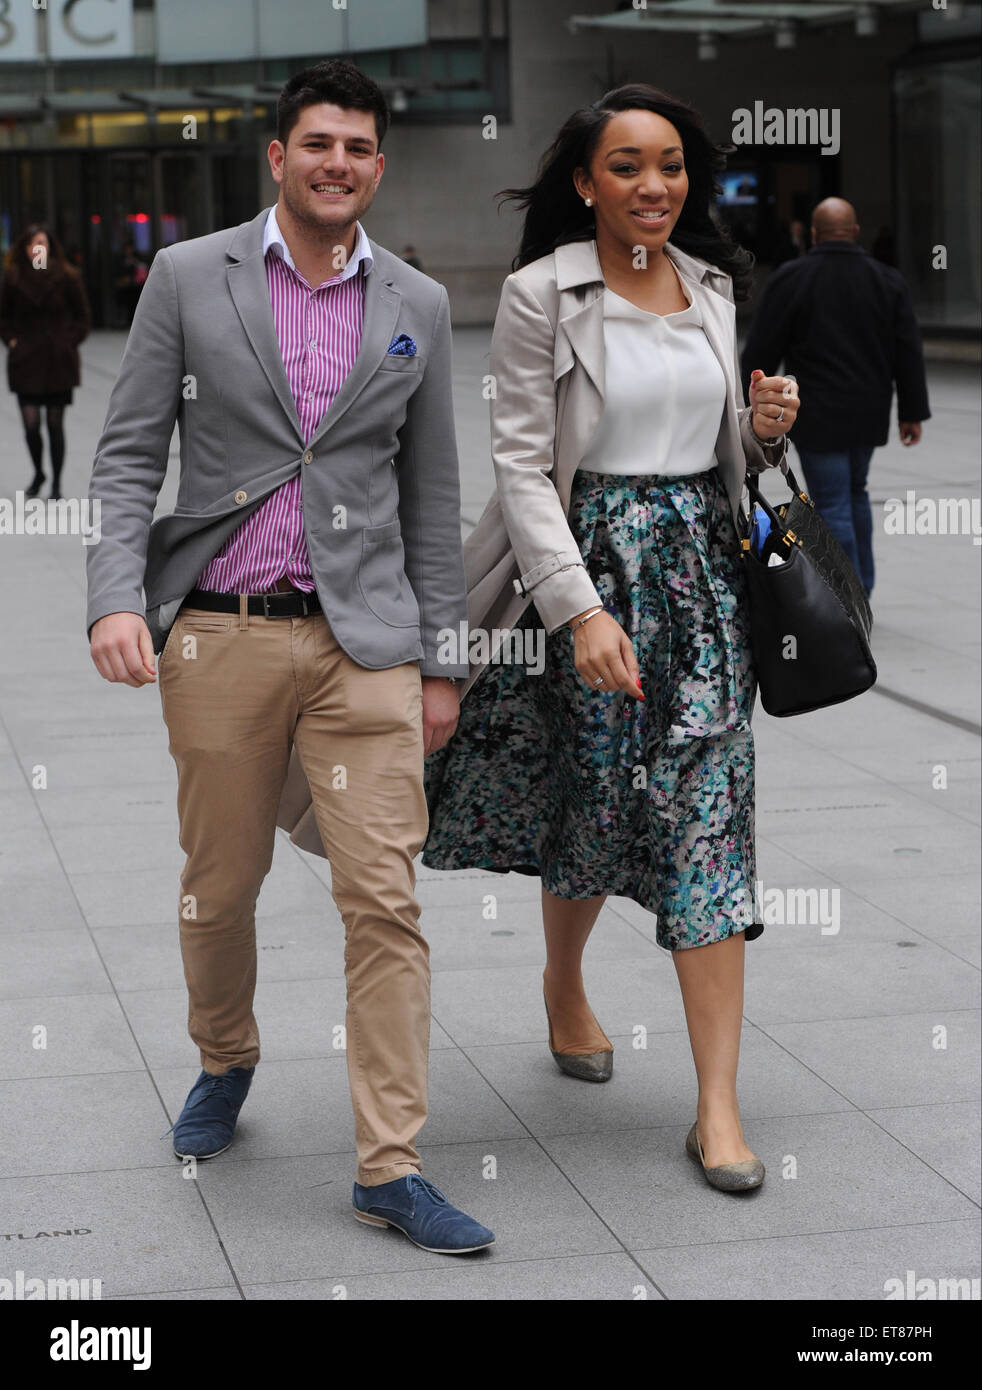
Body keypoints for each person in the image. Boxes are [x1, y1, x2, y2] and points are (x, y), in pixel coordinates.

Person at [282, 82, 799, 1193]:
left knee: (709, 827)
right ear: (584, 181)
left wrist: (756, 436)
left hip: (702, 592)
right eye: (625, 166)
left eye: (669, 165)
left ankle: (717, 1106)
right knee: (587, 795)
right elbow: (522, 467)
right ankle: (564, 982)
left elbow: (720, 462)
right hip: (581, 581)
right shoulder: (539, 293)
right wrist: (582, 611)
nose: (652, 185)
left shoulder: (712, 284)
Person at [85, 59, 493, 1255]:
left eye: (359, 147)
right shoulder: (186, 276)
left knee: (386, 899)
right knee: (223, 878)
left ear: (379, 164)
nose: (338, 163)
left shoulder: (412, 301)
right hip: (219, 631)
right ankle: (226, 1054)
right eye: (317, 143)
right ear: (277, 156)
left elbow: (433, 500)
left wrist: (441, 662)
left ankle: (390, 1162)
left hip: (363, 644)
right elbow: (122, 459)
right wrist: (118, 598)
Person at [741, 197, 929, 597]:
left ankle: (849, 597)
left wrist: (745, 400)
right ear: (855, 232)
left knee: (833, 503)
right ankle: (863, 588)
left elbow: (762, 348)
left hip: (819, 414)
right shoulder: (887, 279)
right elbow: (907, 349)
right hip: (869, 411)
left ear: (813, 234)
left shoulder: (792, 277)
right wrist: (911, 412)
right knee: (855, 493)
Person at [1, 224, 91, 500]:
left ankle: (56, 484)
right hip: (26, 360)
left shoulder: (66, 276)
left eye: (43, 242)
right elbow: (3, 316)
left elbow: (83, 317)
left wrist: (68, 342)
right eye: (32, 243)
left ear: (50, 246)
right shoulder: (13, 277)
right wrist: (12, 341)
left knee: (54, 424)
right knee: (30, 425)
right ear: (25, 248)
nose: (38, 248)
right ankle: (39, 472)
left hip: (57, 361)